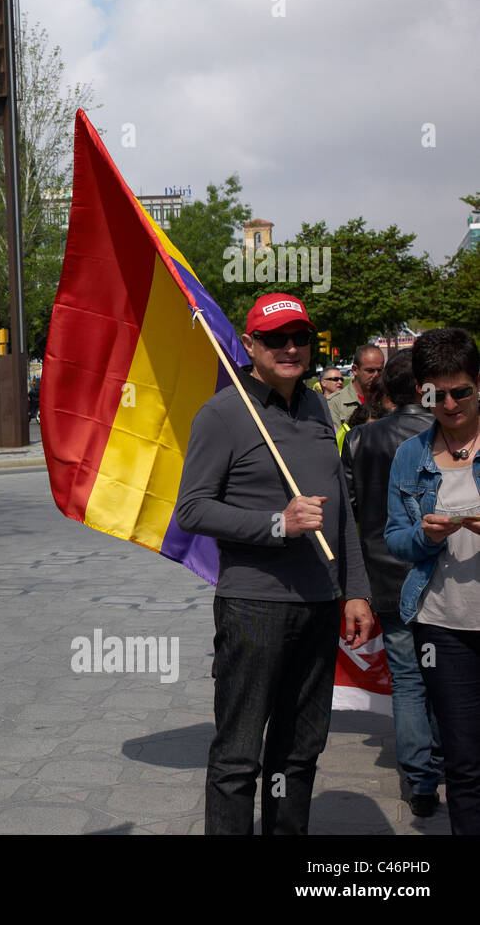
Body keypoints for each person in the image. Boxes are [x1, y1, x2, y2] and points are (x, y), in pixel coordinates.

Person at [175, 293, 373, 835]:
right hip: (253, 606)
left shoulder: (315, 407)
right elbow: (191, 509)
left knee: (301, 750)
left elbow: (341, 511)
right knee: (239, 755)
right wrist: (275, 523)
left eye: (299, 337)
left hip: (319, 604)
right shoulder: (222, 413)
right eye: (275, 339)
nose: (290, 348)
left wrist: (355, 590)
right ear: (249, 345)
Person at [385, 327, 480, 835]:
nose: (447, 404)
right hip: (443, 626)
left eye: (459, 391)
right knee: (464, 765)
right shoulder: (410, 456)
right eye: (434, 394)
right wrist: (426, 536)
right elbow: (394, 539)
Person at [342, 349, 442, 817]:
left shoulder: (362, 438)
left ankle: (420, 780)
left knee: (407, 678)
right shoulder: (448, 432)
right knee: (449, 675)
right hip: (441, 572)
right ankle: (439, 765)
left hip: (383, 573)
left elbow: (349, 509)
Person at [328, 344, 385, 428]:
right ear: (355, 370)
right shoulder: (334, 403)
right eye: (370, 371)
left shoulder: (387, 399)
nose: (376, 375)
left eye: (380, 370)